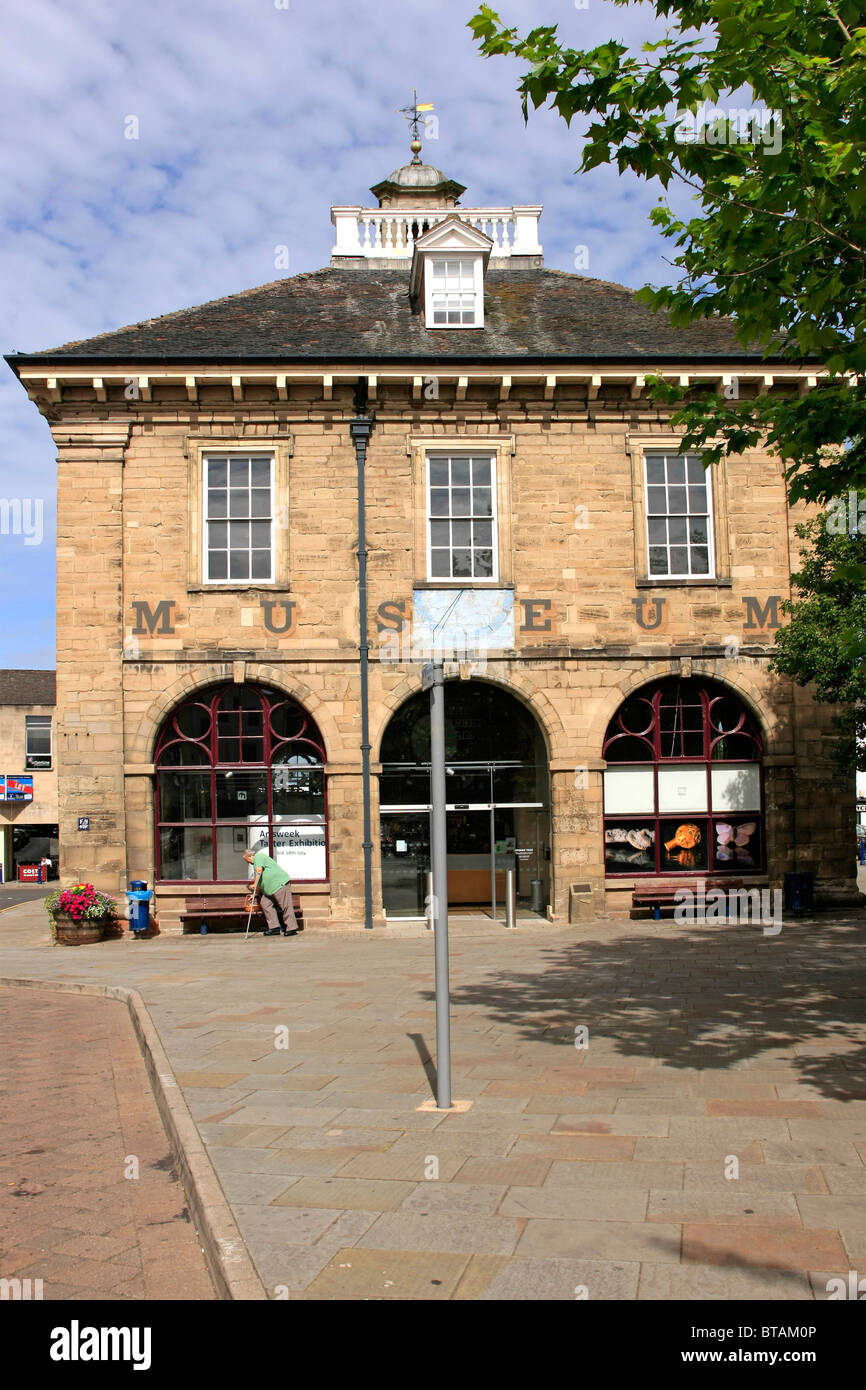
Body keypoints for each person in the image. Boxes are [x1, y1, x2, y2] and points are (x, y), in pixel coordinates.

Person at [241, 847, 300, 938]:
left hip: (279, 884)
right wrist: (254, 893)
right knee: (265, 904)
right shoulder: (255, 864)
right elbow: (260, 882)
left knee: (285, 906)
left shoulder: (258, 857)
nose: (248, 862)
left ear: (250, 856)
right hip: (269, 890)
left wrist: (254, 884)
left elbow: (259, 872)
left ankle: (292, 928)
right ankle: (274, 928)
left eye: (246, 860)